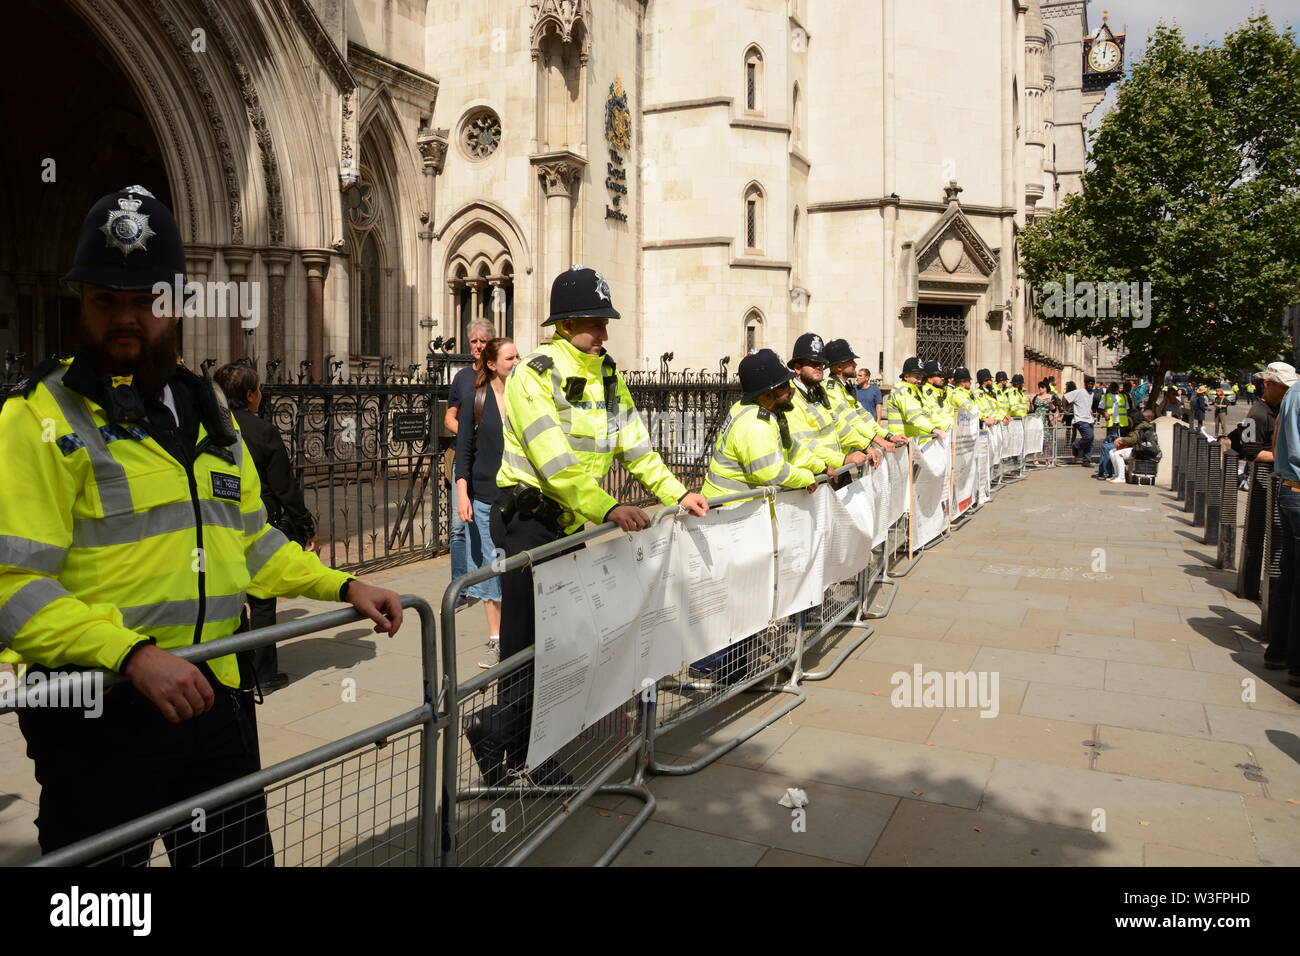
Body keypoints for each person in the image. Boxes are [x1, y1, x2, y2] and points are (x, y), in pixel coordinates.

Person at [0, 186, 403, 863]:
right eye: (106, 300)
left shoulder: (208, 409)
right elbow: (14, 588)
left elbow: (250, 541)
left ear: (178, 303)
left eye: (146, 300)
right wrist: (131, 655)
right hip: (98, 718)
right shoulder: (38, 418)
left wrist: (341, 586)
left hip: (211, 702)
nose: (126, 318)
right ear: (81, 305)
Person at [474, 266, 709, 781]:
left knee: (564, 638)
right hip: (530, 522)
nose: (604, 333)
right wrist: (606, 507)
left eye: (606, 323)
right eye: (596, 323)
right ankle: (516, 748)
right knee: (526, 644)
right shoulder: (535, 372)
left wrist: (678, 492)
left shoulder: (608, 374)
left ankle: (509, 740)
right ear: (564, 323)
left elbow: (638, 449)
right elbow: (553, 462)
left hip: (572, 524)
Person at [213, 362, 319, 694]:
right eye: (258, 389)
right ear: (249, 395)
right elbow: (285, 487)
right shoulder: (261, 431)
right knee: (261, 601)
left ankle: (234, 671)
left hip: (219, 527)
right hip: (260, 524)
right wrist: (305, 525)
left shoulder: (209, 427)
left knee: (230, 601)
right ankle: (262, 673)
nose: (261, 395)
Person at [453, 337, 520, 669]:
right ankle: (496, 639)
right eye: (510, 357)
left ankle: (517, 634)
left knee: (517, 567)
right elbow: (464, 452)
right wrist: (462, 495)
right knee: (491, 570)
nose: (517, 361)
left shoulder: (527, 398)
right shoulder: (474, 400)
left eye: (518, 355)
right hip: (484, 497)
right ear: (492, 364)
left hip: (519, 498)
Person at [1228, 362, 1294, 599]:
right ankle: (1249, 587)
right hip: (1264, 480)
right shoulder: (1256, 413)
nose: (1287, 390)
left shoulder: (1282, 407)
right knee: (1258, 533)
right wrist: (1285, 455)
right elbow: (1252, 453)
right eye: (1282, 386)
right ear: (1268, 384)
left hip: (1277, 477)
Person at [443, 319, 495, 608]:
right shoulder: (462, 377)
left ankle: (487, 582)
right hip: (465, 456)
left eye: (483, 341)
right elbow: (449, 416)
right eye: (473, 341)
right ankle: (459, 588)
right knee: (458, 526)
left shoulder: (499, 376)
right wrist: (468, 434)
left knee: (486, 523)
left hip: (491, 460)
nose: (477, 346)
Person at [785, 333, 872, 478]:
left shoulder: (817, 391)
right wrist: (843, 459)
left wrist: (866, 445)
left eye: (821, 364)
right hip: (817, 475)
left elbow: (838, 424)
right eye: (813, 364)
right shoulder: (790, 398)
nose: (819, 368)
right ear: (798, 368)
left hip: (835, 469)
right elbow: (804, 443)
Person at [1267, 364, 1300, 684]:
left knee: (1288, 575)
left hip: (1288, 491)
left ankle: (1277, 651)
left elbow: (1277, 443)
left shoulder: (1292, 396)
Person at [823, 339, 893, 462]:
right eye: (851, 362)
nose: (855, 365)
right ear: (839, 367)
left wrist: (887, 436)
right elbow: (852, 420)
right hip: (833, 458)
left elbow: (864, 417)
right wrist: (877, 441)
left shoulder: (844, 387)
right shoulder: (831, 389)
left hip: (843, 454)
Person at [887, 356, 947, 444]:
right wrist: (933, 430)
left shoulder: (915, 390)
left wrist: (945, 426)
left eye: (921, 377)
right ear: (906, 376)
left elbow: (928, 413)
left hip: (914, 443)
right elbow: (914, 415)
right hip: (902, 443)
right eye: (917, 377)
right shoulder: (902, 390)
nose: (919, 381)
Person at [1104, 406, 1161, 484]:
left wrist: (1121, 439)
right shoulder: (1142, 425)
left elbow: (1133, 439)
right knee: (1112, 451)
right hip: (1138, 449)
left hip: (1140, 451)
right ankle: (1116, 475)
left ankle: (1121, 477)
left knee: (1118, 454)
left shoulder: (1141, 426)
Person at [1062, 379, 1095, 466]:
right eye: (1089, 383)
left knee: (1090, 441)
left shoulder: (1092, 393)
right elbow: (1065, 397)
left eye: (1092, 384)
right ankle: (1076, 445)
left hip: (1089, 419)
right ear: (1085, 384)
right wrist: (1064, 409)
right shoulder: (1079, 392)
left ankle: (1086, 460)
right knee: (1089, 436)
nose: (1090, 385)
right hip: (1080, 419)